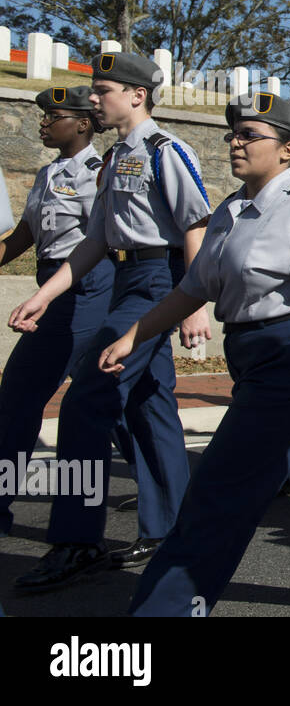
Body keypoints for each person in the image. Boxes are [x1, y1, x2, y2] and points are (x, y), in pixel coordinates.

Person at [97, 92, 290, 617]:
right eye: (233, 134)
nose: (235, 142)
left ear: (288, 150)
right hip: (254, 355)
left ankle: (165, 609)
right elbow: (193, 289)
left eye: (250, 135)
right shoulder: (231, 211)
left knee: (221, 489)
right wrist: (135, 335)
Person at [10, 53, 210, 591]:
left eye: (102, 90)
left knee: (86, 400)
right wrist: (45, 295)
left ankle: (78, 541)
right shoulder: (114, 157)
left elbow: (195, 225)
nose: (93, 99)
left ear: (137, 95)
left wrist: (192, 305)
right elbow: (94, 240)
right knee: (148, 403)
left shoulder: (168, 151)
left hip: (157, 284)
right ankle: (173, 527)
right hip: (125, 280)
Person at [0, 87, 114, 536]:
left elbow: (102, 239)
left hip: (83, 286)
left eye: (54, 115)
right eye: (42, 115)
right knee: (118, 403)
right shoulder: (48, 173)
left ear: (84, 123)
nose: (44, 122)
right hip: (54, 283)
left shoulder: (97, 173)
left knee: (21, 390)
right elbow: (25, 232)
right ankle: (167, 509)